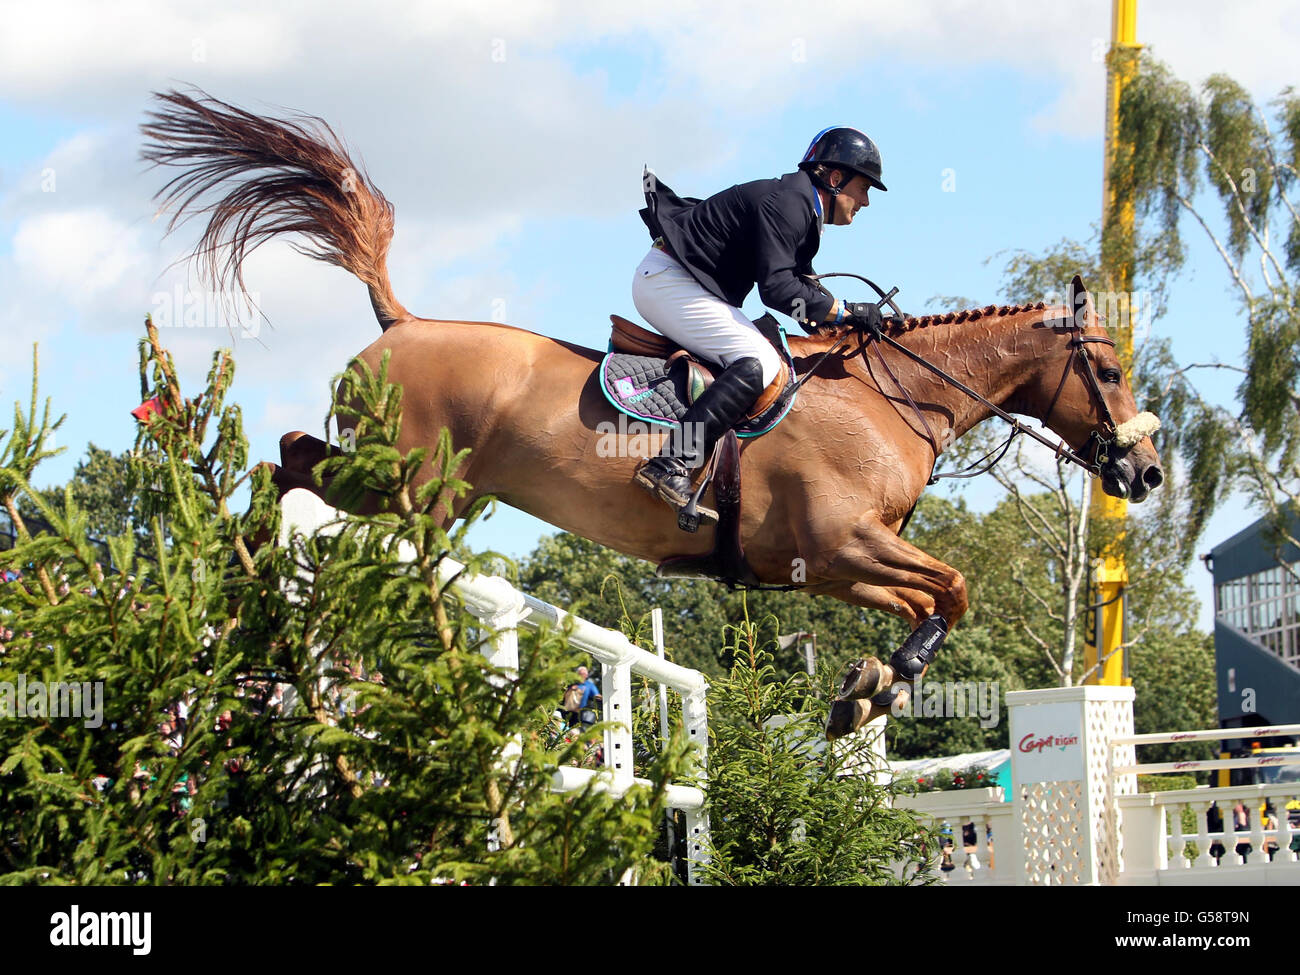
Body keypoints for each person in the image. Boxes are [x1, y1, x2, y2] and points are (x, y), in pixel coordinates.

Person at [633, 126, 888, 526]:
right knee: (760, 362)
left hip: (685, 284)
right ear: (836, 178)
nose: (866, 201)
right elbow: (778, 290)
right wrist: (847, 311)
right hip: (669, 282)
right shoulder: (789, 202)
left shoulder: (799, 204)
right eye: (864, 188)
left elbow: (800, 287)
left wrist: (853, 320)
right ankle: (670, 462)